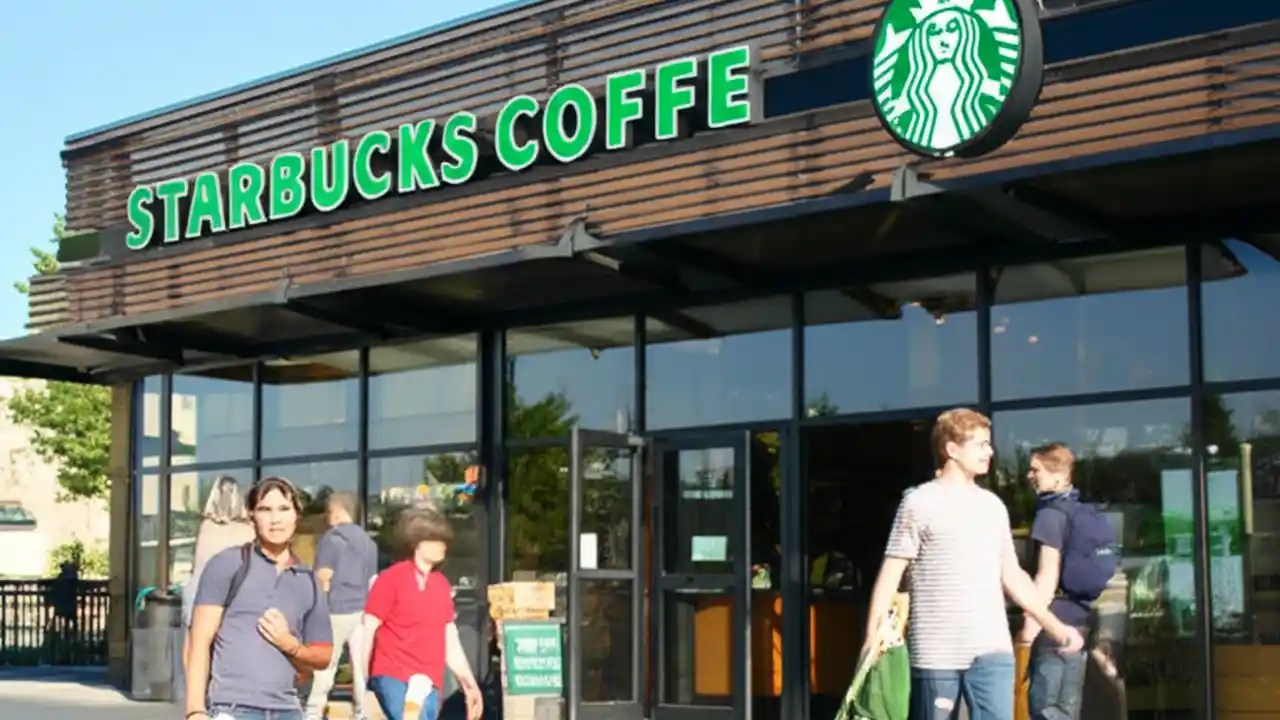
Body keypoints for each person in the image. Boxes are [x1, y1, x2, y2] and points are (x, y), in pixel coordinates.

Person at [862, 408, 1084, 720]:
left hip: (992, 650)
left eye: (988, 444)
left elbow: (1012, 575)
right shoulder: (918, 503)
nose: (990, 452)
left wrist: (1056, 628)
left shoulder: (992, 506)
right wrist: (873, 641)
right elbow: (890, 573)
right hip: (936, 654)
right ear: (952, 450)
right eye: (980, 444)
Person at [185, 476, 335, 720]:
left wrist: (289, 644)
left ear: (297, 514)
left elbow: (323, 656)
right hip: (232, 708)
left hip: (288, 710)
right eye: (265, 509)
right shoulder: (228, 564)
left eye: (284, 509)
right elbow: (197, 642)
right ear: (252, 514)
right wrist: (195, 710)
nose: (275, 519)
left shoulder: (308, 580)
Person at [358, 504, 483, 720]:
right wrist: (365, 681)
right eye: (436, 539)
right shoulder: (391, 579)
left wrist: (468, 683)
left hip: (430, 680)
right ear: (417, 543)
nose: (443, 545)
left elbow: (449, 640)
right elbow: (368, 629)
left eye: (444, 539)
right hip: (393, 675)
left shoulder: (441, 585)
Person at [1020, 443, 1113, 720]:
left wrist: (1029, 626)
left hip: (1054, 626)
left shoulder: (1050, 516)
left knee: (1047, 711)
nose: (1029, 475)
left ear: (1058, 475)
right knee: (1066, 711)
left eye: (1036, 469)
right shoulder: (1079, 511)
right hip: (1080, 622)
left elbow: (1046, 577)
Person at [304, 491, 378, 720]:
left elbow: (323, 578)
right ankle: (360, 712)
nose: (326, 517)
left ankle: (312, 713)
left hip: (335, 610)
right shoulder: (368, 542)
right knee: (360, 666)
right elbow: (372, 580)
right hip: (362, 611)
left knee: (326, 666)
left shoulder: (332, 538)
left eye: (328, 512)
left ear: (336, 511)